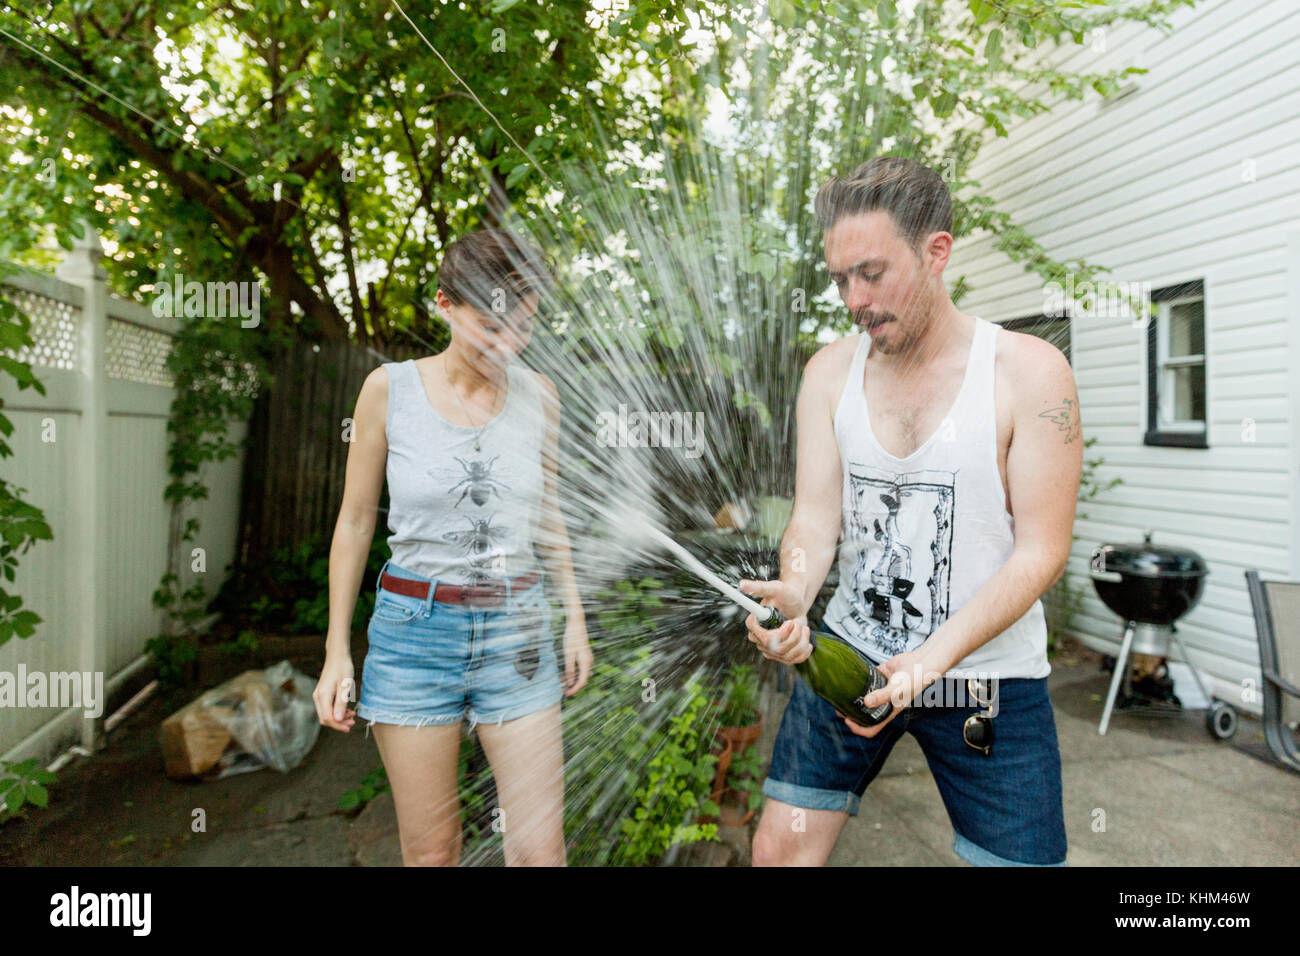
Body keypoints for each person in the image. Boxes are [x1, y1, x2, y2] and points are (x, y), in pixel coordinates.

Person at [740, 156, 1081, 866]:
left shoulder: (1030, 373)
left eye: (871, 272)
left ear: (937, 252)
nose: (854, 299)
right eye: (839, 279)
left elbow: (1042, 551)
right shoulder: (828, 373)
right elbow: (813, 520)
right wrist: (796, 593)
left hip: (988, 680)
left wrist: (931, 661)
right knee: (778, 853)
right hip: (850, 654)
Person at [313, 228, 591, 866]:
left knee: (540, 853)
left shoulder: (540, 397)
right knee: (433, 852)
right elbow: (355, 522)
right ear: (444, 305)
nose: (508, 345)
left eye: (522, 327)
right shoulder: (389, 391)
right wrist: (335, 651)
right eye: (490, 327)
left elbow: (550, 515)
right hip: (414, 637)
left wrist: (574, 618)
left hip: (516, 633)